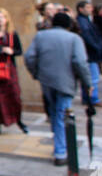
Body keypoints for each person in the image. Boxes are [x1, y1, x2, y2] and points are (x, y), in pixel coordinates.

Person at [24, 11, 91, 165]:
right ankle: (61, 152)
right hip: (66, 82)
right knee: (62, 114)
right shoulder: (74, 39)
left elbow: (29, 57)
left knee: (55, 112)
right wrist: (88, 84)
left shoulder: (41, 36)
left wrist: (36, 73)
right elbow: (80, 63)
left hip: (47, 81)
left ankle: (60, 145)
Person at [75, 0, 102, 110]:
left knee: (90, 76)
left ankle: (88, 97)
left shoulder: (85, 20)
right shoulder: (82, 22)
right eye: (88, 7)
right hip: (89, 54)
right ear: (81, 9)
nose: (91, 9)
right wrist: (97, 47)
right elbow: (87, 36)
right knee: (93, 77)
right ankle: (92, 98)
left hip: (90, 53)